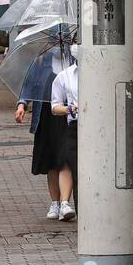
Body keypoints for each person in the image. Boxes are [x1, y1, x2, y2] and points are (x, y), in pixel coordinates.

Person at [15, 42, 74, 221]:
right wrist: (22, 104)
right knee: (51, 162)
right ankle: (55, 202)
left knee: (66, 158)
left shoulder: (74, 61)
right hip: (46, 117)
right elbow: (29, 85)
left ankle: (65, 203)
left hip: (68, 116)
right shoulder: (41, 61)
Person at [48, 48, 79, 222]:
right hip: (75, 124)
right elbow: (55, 106)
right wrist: (68, 108)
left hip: (98, 125)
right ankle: (64, 203)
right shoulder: (64, 75)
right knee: (66, 159)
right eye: (76, 41)